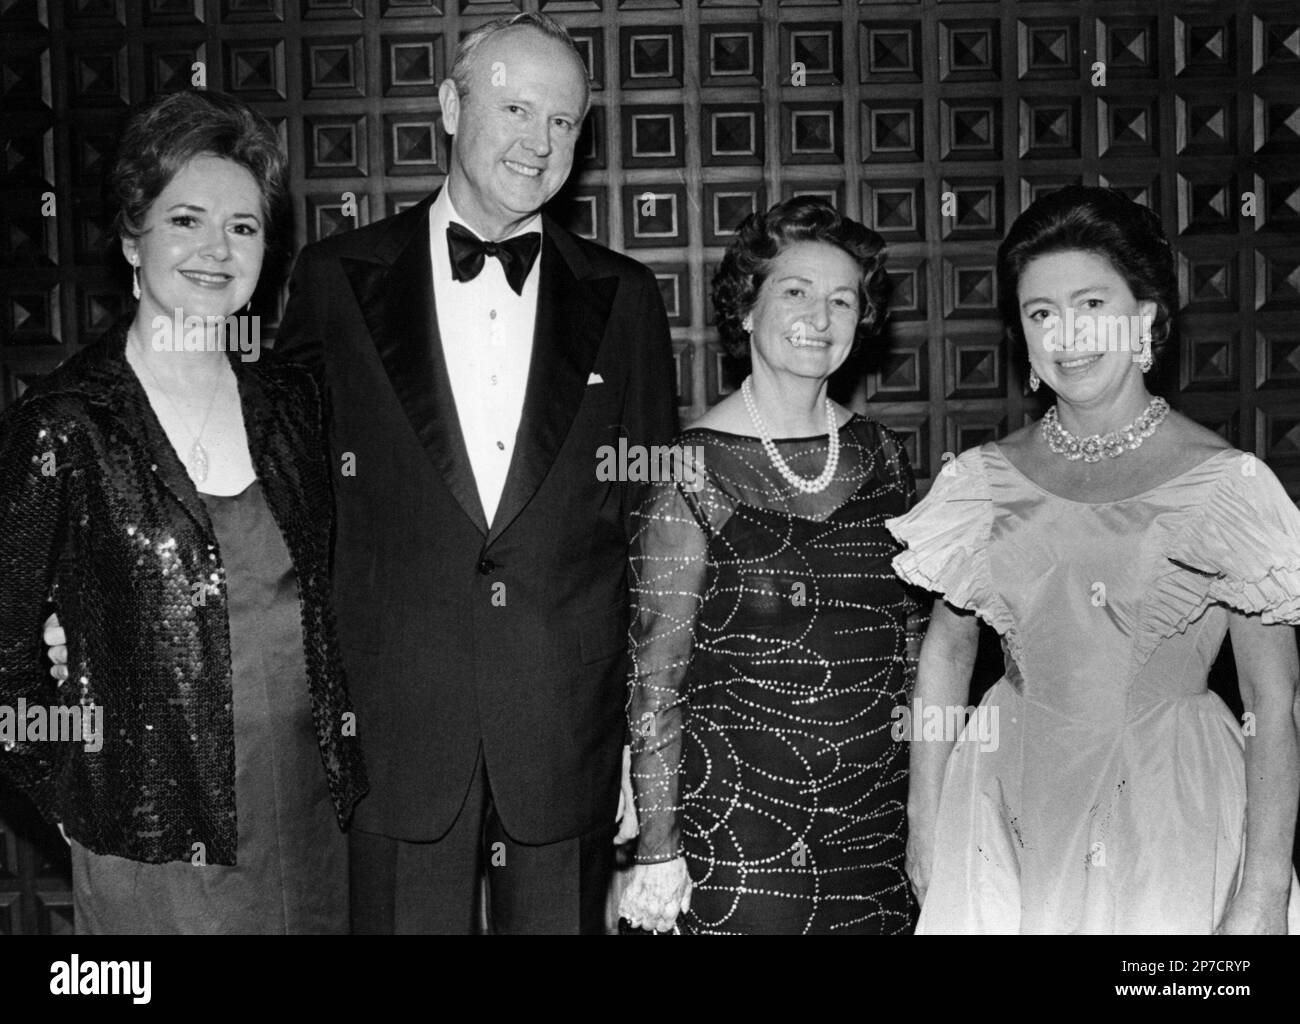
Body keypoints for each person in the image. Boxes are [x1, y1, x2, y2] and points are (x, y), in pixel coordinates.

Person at [272, 13, 676, 933]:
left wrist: (642, 753)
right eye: (517, 107)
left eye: (566, 121)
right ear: (451, 106)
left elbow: (652, 528)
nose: (541, 143)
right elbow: (281, 489)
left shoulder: (626, 298)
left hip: (565, 734)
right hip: (394, 734)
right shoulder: (337, 279)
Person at [0, 90, 367, 934]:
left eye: (243, 227)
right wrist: (70, 792)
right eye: (186, 220)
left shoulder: (294, 405)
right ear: (133, 238)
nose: (216, 249)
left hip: (312, 822)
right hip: (152, 841)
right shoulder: (64, 425)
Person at [888, 185, 1300, 934]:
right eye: (1041, 313)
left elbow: (1273, 704)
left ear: (1145, 318)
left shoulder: (1227, 485)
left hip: (1167, 802)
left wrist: (1264, 890)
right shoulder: (980, 480)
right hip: (1005, 795)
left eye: (1092, 305)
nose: (1067, 335)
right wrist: (925, 819)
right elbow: (946, 655)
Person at [617, 196, 926, 934]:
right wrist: (659, 850)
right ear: (747, 310)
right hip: (741, 825)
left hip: (874, 822)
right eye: (796, 292)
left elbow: (909, 648)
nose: (821, 317)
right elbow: (654, 681)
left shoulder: (884, 458)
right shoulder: (686, 469)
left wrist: (927, 806)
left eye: (843, 299)